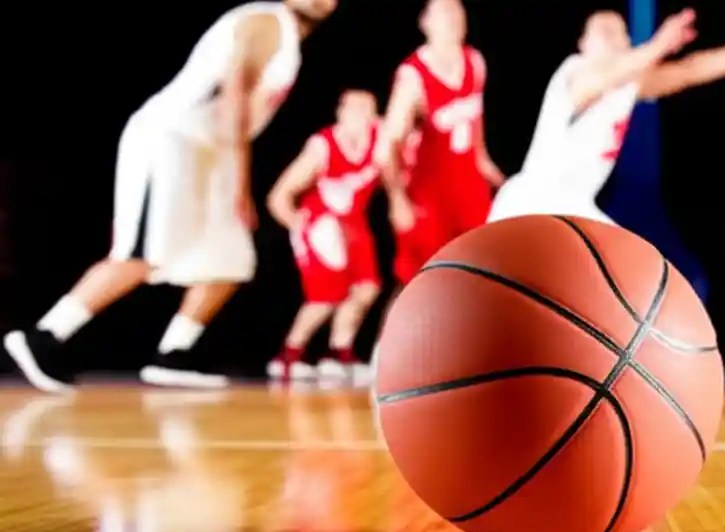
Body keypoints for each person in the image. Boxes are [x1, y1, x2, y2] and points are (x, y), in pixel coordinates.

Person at [3, 0, 338, 393]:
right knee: (143, 253)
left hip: (209, 152)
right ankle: (44, 336)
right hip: (170, 140)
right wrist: (240, 182)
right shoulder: (266, 20)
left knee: (230, 258)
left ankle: (174, 354)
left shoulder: (287, 37)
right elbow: (233, 95)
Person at [487, 8, 725, 224]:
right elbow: (608, 75)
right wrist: (659, 44)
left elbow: (688, 71)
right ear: (583, 44)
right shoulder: (574, 73)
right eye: (603, 31)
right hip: (531, 203)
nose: (613, 38)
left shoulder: (628, 85)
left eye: (619, 33)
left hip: (572, 209)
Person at [375, 0, 504, 289]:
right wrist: (398, 201)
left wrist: (487, 166)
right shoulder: (414, 77)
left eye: (458, 9)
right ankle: (392, 335)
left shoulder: (475, 61)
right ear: (425, 22)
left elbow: (475, 123)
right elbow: (386, 147)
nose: (454, 17)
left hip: (468, 185)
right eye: (444, 11)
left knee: (478, 274)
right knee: (419, 284)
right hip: (428, 192)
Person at [266, 90, 382, 383]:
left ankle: (338, 352)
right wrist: (301, 227)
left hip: (354, 224)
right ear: (341, 113)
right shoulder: (323, 147)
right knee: (326, 297)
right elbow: (278, 196)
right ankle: (289, 355)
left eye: (367, 110)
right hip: (320, 223)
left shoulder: (379, 139)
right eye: (355, 109)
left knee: (366, 289)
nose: (362, 116)